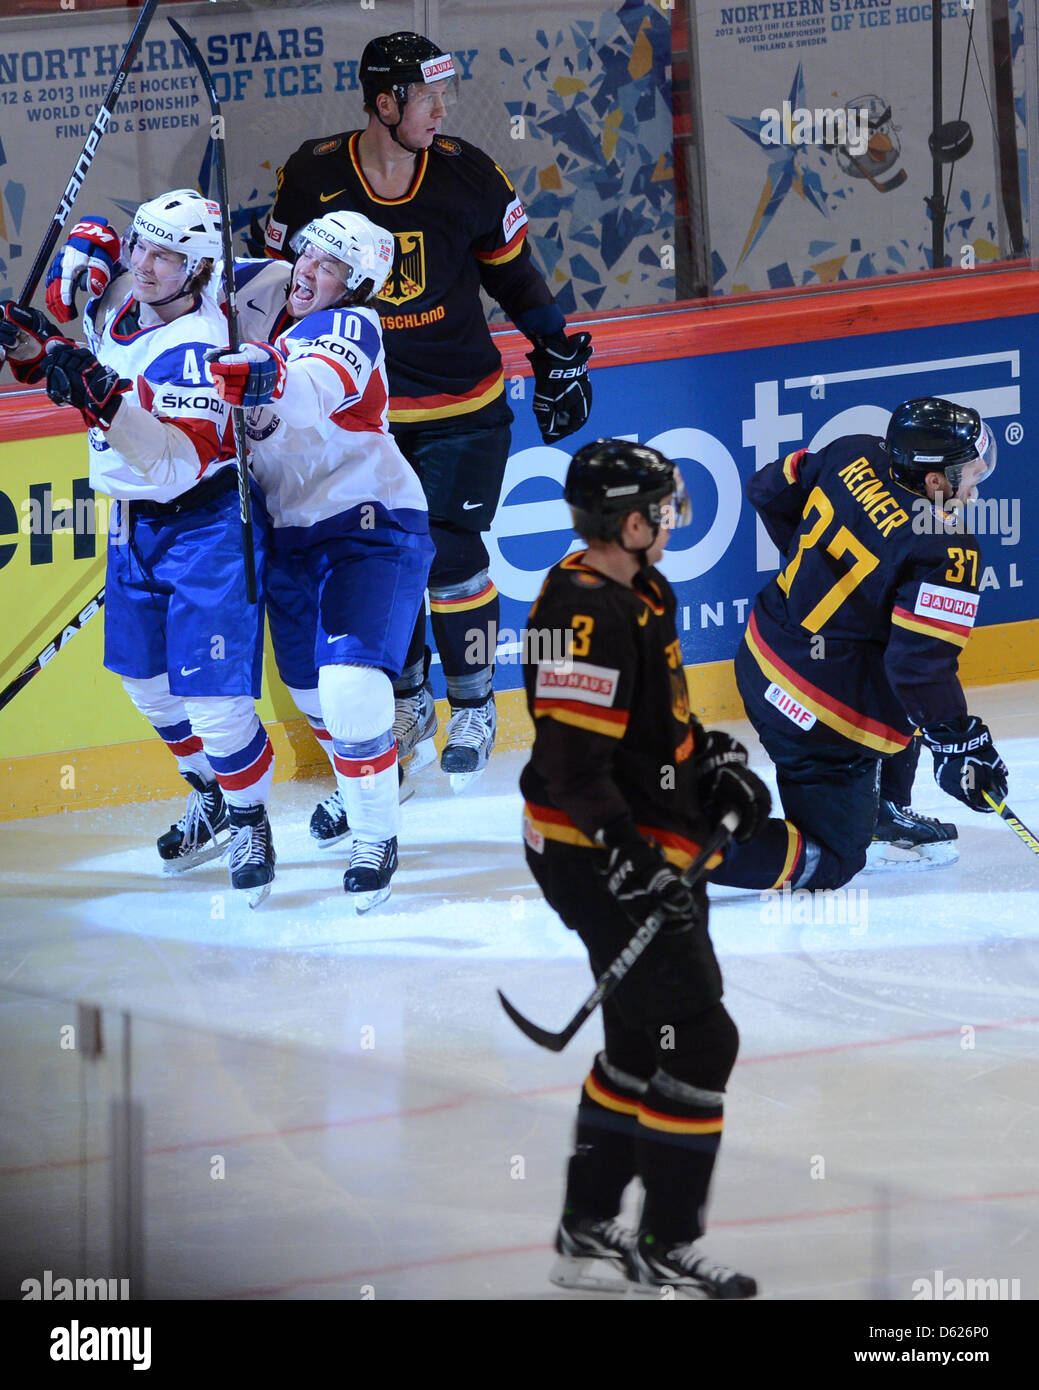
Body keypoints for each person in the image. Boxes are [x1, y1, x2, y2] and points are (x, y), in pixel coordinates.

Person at [264, 30, 592, 829]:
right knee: (383, 568)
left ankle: (474, 701)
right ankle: (408, 703)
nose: (441, 110)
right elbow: (277, 280)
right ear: (383, 103)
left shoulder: (466, 172)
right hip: (362, 421)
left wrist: (554, 349)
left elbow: (513, 275)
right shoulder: (311, 174)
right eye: (425, 97)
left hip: (460, 407)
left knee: (447, 551)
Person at [520, 438, 771, 1298]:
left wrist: (705, 767)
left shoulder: (639, 587)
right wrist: (630, 861)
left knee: (640, 1037)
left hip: (624, 844)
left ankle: (586, 1231)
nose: (671, 519)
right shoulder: (582, 615)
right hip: (592, 852)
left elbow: (646, 733)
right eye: (661, 508)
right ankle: (666, 1240)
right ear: (630, 522)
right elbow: (570, 768)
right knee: (701, 1040)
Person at [2, 191, 276, 903]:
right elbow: (70, 365)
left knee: (214, 703)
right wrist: (31, 344)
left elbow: (174, 461)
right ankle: (210, 794)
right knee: (147, 686)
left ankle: (249, 818)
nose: (145, 266)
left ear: (198, 270)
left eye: (166, 256)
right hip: (133, 525)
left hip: (207, 526)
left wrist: (100, 397)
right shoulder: (124, 301)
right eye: (141, 246)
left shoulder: (199, 350)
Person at [206, 210, 434, 911]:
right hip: (290, 537)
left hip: (368, 527)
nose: (308, 269)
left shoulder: (349, 327)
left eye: (330, 265)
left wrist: (265, 373)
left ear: (356, 283)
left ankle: (375, 836)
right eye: (308, 253)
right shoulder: (261, 295)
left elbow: (307, 394)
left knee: (345, 685)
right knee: (310, 693)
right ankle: (372, 770)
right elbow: (172, 291)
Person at [735, 397, 1009, 889]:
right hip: (816, 715)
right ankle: (675, 840)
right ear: (934, 480)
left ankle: (884, 809)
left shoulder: (852, 451)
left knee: (892, 675)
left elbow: (767, 487)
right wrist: (960, 743)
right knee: (833, 860)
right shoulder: (947, 546)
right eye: (968, 473)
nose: (974, 486)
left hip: (760, 656)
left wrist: (816, 570)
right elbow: (919, 668)